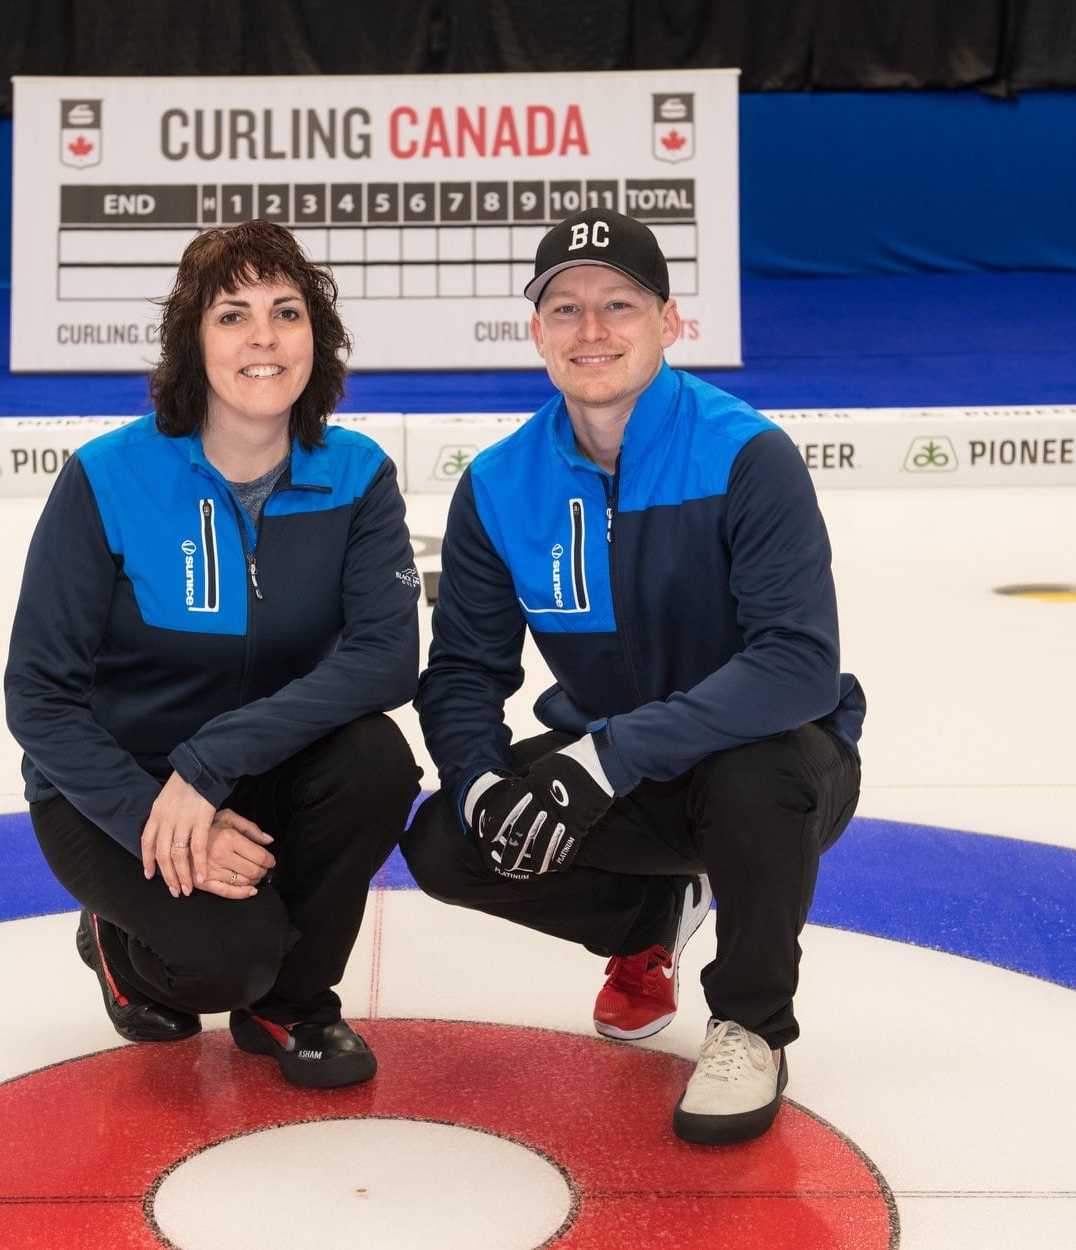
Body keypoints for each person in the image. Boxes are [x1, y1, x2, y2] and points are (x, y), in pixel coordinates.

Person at [404, 208, 864, 1143]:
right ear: (535, 331)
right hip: (623, 773)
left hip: (774, 760)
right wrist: (484, 779)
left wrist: (607, 757)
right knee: (448, 843)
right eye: (564, 308)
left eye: (618, 304)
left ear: (668, 322)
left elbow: (798, 663)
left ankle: (750, 1025)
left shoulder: (745, 454)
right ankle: (648, 917)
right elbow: (460, 671)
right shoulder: (500, 482)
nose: (591, 330)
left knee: (753, 777)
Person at [5, 219, 421, 1090]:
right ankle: (120, 945)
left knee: (377, 759)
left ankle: (293, 1004)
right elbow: (39, 697)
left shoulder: (355, 475)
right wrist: (157, 804)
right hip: (118, 789)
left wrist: (210, 765)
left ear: (318, 338)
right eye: (232, 315)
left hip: (246, 765)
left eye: (287, 312)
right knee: (227, 961)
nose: (263, 337)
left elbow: (386, 659)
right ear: (193, 344)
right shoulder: (107, 477)